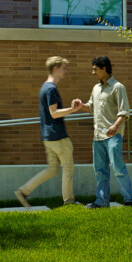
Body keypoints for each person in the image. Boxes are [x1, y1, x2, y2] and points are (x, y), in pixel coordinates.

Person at [15, 56, 84, 208]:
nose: (66, 71)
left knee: (53, 169)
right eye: (63, 68)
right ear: (55, 68)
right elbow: (54, 113)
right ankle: (69, 202)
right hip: (58, 137)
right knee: (68, 169)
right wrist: (73, 110)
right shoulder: (51, 88)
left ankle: (23, 191)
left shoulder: (44, 87)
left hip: (48, 137)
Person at [79, 56, 132, 209]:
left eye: (95, 69)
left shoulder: (118, 87)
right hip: (97, 137)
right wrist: (80, 105)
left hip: (113, 136)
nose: (93, 73)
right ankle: (101, 201)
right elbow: (90, 107)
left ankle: (130, 200)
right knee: (100, 171)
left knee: (118, 168)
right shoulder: (95, 89)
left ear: (104, 68)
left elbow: (124, 111)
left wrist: (115, 127)